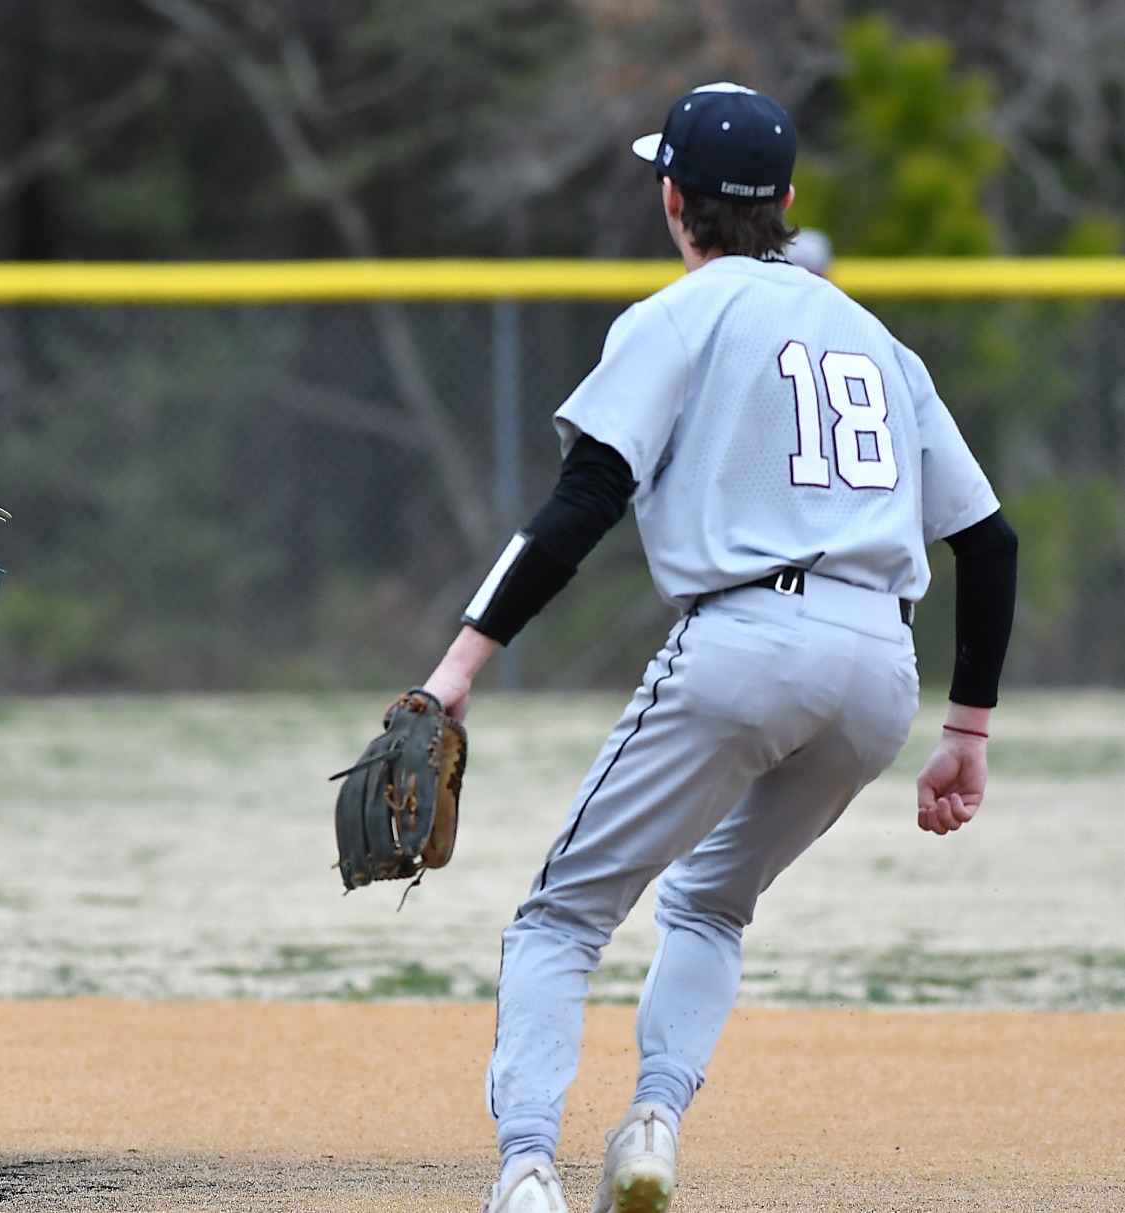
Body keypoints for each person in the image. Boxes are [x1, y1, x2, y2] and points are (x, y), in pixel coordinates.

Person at [415, 86, 1019, 1213]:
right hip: (879, 675)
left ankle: (527, 1174)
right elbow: (989, 542)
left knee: (559, 917)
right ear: (787, 202)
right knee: (709, 904)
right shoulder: (874, 337)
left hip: (749, 641)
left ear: (670, 197)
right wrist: (967, 733)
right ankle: (650, 1127)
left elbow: (584, 500)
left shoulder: (675, 315)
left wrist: (456, 670)